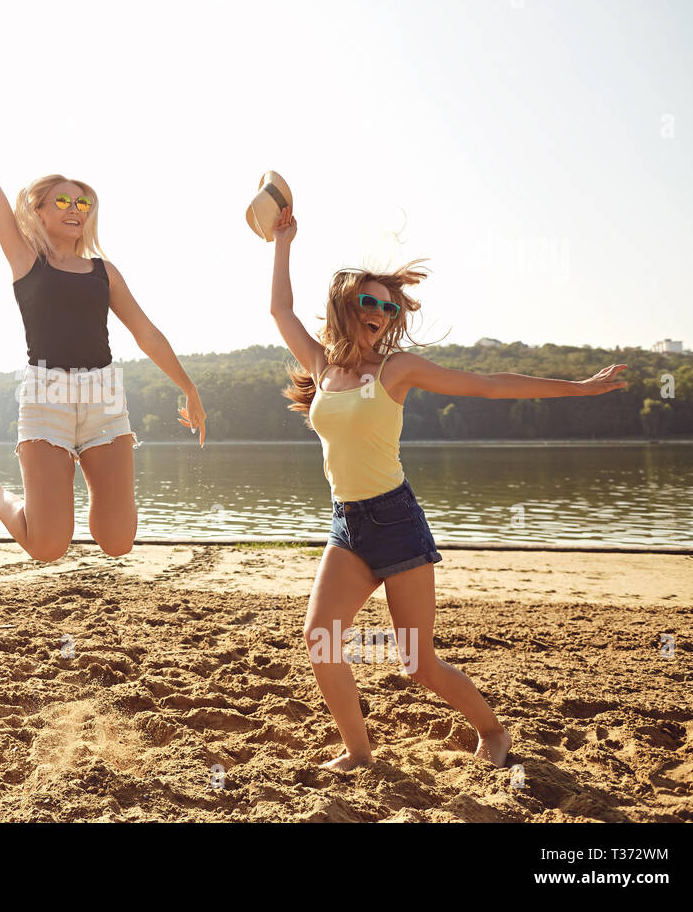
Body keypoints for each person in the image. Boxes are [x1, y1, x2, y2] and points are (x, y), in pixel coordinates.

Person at [268, 202, 626, 770]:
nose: (382, 312)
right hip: (347, 525)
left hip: (396, 521)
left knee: (418, 664)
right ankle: (359, 752)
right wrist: (283, 240)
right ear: (345, 304)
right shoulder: (321, 365)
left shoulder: (396, 369)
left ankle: (492, 731)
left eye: (389, 306)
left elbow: (487, 384)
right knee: (321, 641)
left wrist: (577, 390)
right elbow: (280, 309)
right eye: (370, 301)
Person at [0, 79, 207, 562]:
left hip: (103, 399)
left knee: (117, 542)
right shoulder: (25, 260)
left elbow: (146, 332)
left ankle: (72, 485)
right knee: (47, 545)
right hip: (46, 399)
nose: (75, 209)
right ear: (37, 210)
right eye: (62, 201)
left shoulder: (104, 270)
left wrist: (189, 387)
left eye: (83, 202)